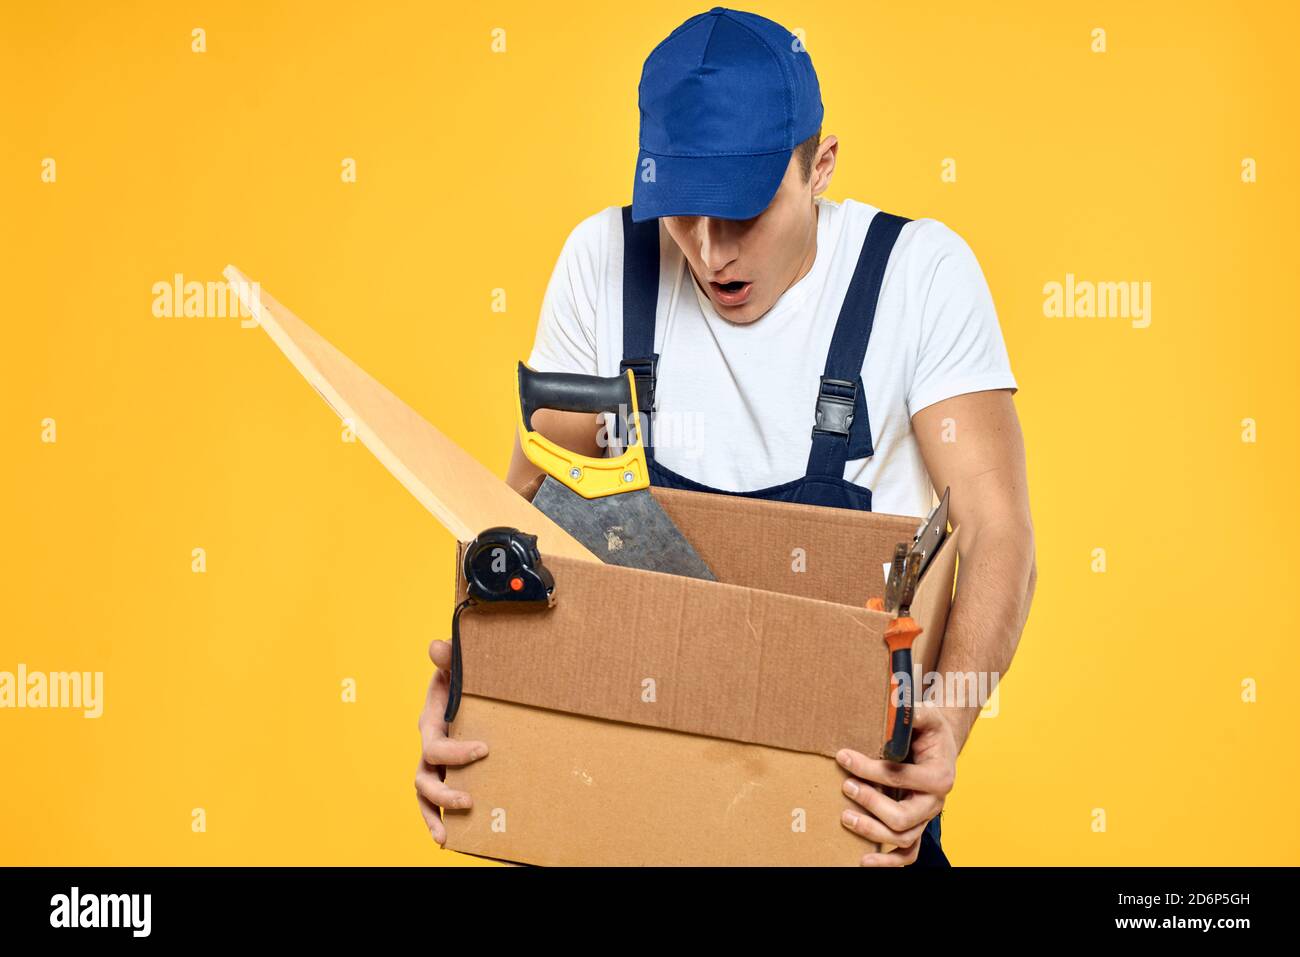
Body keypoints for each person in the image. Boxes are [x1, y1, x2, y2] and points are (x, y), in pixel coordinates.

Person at [416, 6, 1036, 866]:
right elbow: (526, 519)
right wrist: (473, 691)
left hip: (847, 820)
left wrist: (949, 722)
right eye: (681, 212)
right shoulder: (605, 263)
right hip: (625, 810)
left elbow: (1001, 536)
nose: (709, 254)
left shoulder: (918, 277)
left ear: (818, 166)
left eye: (741, 212)